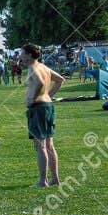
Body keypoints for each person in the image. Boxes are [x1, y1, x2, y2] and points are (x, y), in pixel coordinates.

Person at [23, 43, 65, 187]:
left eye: (22, 53)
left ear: (29, 55)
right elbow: (60, 80)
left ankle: (43, 181)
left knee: (40, 145)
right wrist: (48, 95)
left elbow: (40, 83)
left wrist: (33, 98)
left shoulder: (33, 67)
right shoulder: (43, 67)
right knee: (49, 145)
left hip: (38, 108)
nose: (20, 56)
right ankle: (55, 179)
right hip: (48, 106)